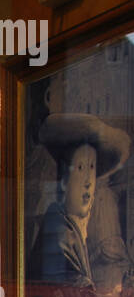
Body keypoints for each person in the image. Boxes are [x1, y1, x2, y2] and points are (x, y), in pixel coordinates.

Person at [28, 112, 130, 287]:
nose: (88, 181)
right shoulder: (59, 233)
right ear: (65, 179)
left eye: (92, 168)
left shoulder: (75, 231)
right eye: (81, 168)